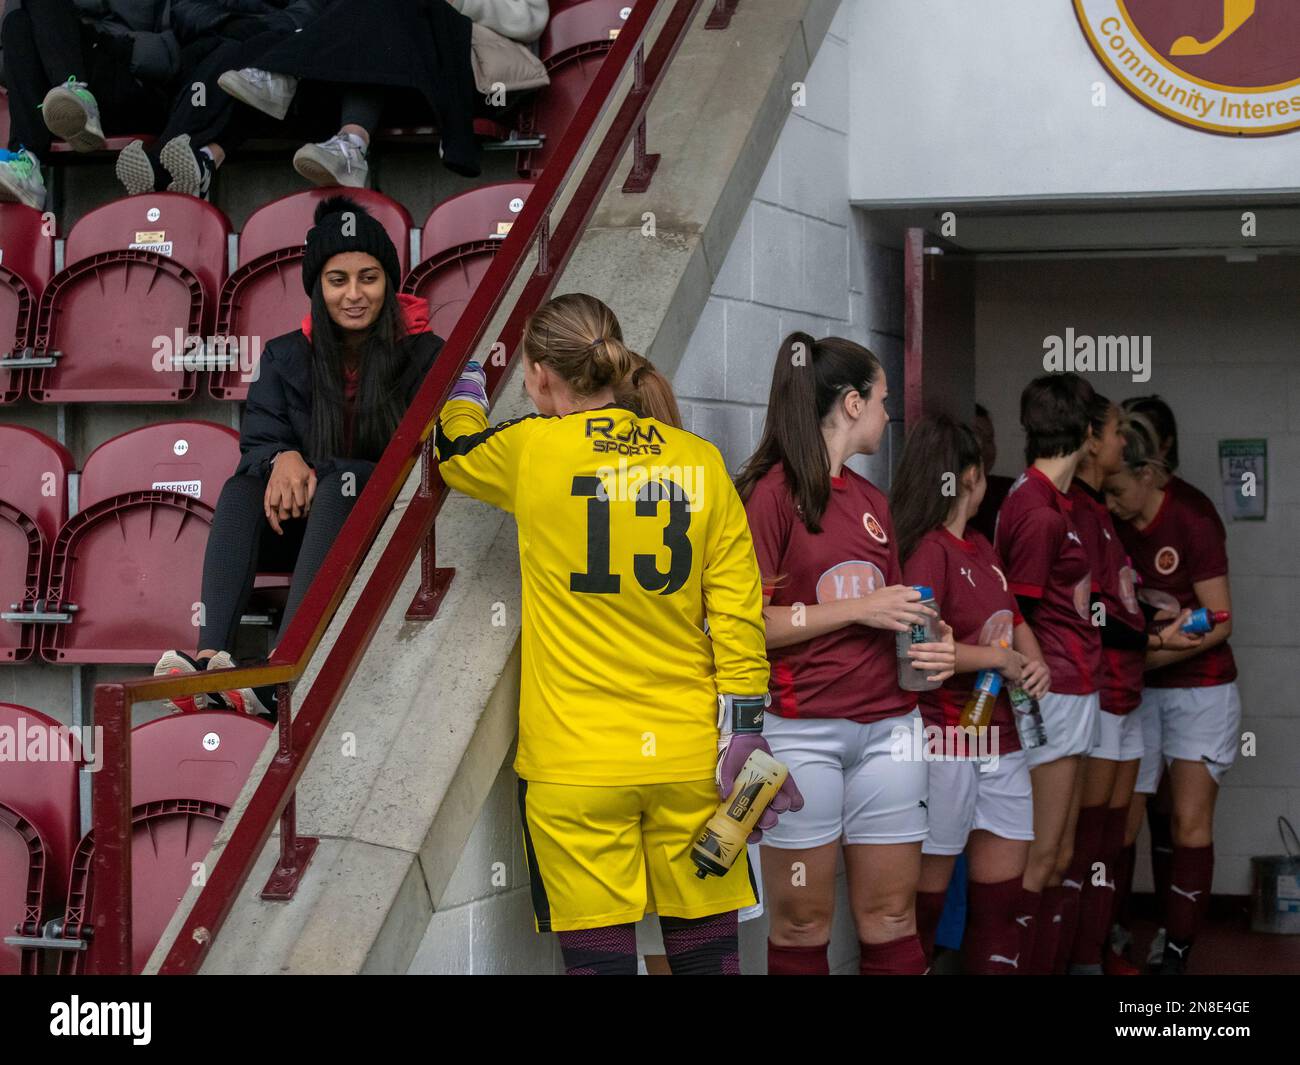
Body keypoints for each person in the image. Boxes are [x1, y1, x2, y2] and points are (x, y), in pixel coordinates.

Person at [435, 293, 802, 976]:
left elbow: (453, 450)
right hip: (693, 759)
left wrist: (462, 385)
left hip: (576, 764)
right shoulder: (702, 463)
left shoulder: (532, 451)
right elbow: (737, 616)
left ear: (541, 374)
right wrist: (746, 730)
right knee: (708, 962)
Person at [152, 196, 441, 716]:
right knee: (241, 488)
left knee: (346, 478)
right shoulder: (286, 354)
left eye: (369, 278)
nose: (354, 294)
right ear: (317, 287)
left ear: (389, 283)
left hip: (386, 527)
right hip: (309, 532)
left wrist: (305, 465)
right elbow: (258, 441)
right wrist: (278, 457)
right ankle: (207, 658)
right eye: (338, 280)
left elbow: (412, 457)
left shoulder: (426, 354)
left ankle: (284, 666)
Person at [735, 333, 956, 976]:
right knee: (803, 924)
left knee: (891, 918)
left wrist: (930, 640)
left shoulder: (873, 504)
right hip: (799, 733)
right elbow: (743, 624)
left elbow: (892, 610)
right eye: (884, 401)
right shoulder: (771, 495)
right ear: (853, 403)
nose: (890, 417)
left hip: (890, 729)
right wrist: (857, 609)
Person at [892, 413, 1050, 974]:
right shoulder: (927, 551)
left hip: (1003, 740)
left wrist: (1034, 664)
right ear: (969, 478)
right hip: (946, 741)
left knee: (1002, 903)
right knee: (926, 905)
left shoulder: (982, 546)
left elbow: (1013, 616)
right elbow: (920, 654)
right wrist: (1001, 660)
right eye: (983, 471)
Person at [1063, 397, 1200, 975]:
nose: (1121, 441)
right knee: (1080, 845)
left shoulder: (1101, 515)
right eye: (1116, 430)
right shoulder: (1071, 508)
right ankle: (1077, 958)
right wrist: (1154, 638)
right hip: (1091, 694)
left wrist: (1149, 634)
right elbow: (1089, 613)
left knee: (1106, 841)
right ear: (1093, 440)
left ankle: (1095, 954)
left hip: (1126, 695)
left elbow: (1119, 608)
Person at [1107, 409, 1238, 976]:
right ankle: (1107, 931)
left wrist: (1149, 650)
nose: (1109, 503)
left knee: (1188, 820)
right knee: (1118, 819)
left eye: (1117, 490)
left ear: (1148, 474)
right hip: (1135, 690)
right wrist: (1143, 653)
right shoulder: (1108, 520)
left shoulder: (1193, 516)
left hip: (1199, 688)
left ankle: (1177, 947)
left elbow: (1222, 619)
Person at [994, 372, 1101, 975]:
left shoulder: (1056, 501)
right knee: (1041, 858)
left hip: (1077, 685)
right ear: (1085, 433)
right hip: (1051, 689)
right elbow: (1015, 614)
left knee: (1059, 854)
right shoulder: (1035, 508)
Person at [217, 0, 549, 186]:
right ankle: (350, 143)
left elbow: (529, 19)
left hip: (483, 74)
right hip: (408, 78)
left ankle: (285, 75)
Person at [115, 0, 327, 198]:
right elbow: (181, 9)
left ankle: (164, 158)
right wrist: (226, 22)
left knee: (245, 56)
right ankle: (204, 159)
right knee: (227, 59)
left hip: (278, 54)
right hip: (209, 48)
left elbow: (310, 10)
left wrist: (261, 28)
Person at [0, 0, 177, 209]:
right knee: (16, 22)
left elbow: (139, 23)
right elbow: (9, 62)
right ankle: (28, 158)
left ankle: (75, 98)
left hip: (131, 82)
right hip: (55, 106)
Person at [969, 403, 1015, 543]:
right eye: (976, 439)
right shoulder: (948, 483)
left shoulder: (1008, 491)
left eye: (989, 439)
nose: (983, 448)